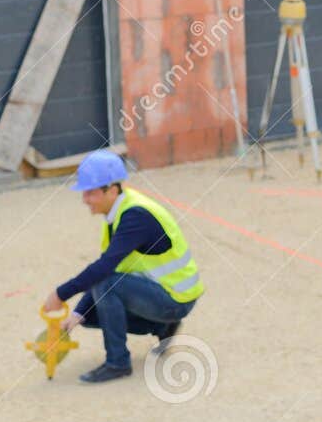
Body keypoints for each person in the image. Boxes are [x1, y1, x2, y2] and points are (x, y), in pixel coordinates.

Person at [43, 149, 204, 384]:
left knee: (106, 285)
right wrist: (78, 314)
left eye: (90, 192)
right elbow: (108, 269)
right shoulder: (117, 215)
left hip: (176, 298)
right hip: (165, 294)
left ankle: (118, 363)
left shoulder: (135, 217)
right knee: (90, 314)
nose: (84, 199)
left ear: (112, 189)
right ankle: (163, 328)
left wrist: (61, 294)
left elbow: (103, 272)